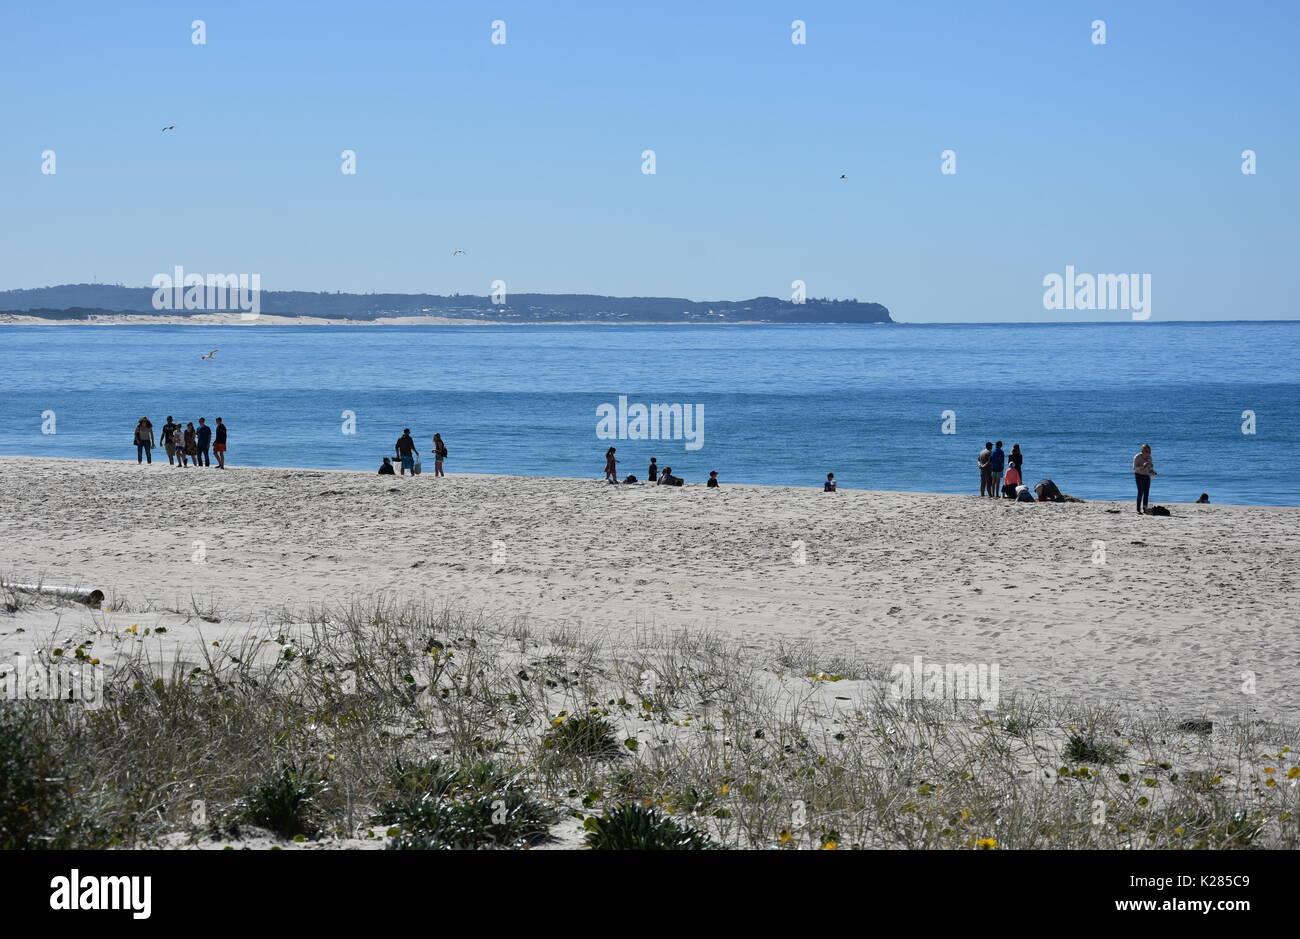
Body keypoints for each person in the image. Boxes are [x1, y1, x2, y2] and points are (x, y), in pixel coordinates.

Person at [1133, 444, 1156, 514]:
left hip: (1146, 476)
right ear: (1142, 451)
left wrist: (1153, 471)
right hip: (1139, 475)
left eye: (1149, 451)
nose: (1148, 453)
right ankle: (1138, 509)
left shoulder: (1149, 457)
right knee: (1140, 492)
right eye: (1147, 451)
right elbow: (1134, 468)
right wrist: (1143, 466)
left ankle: (1145, 509)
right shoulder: (1137, 457)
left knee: (1146, 493)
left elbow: (1150, 468)